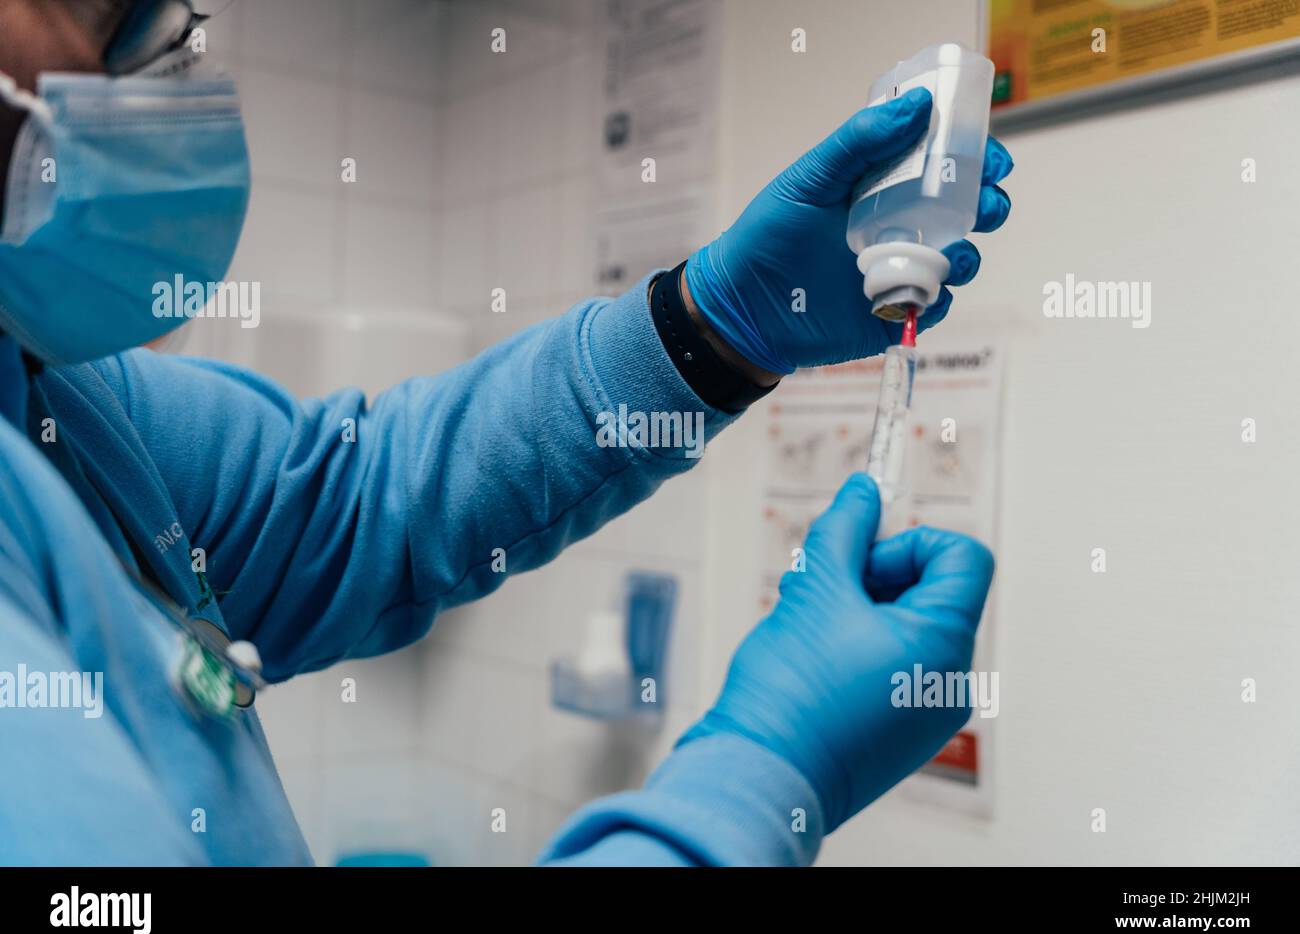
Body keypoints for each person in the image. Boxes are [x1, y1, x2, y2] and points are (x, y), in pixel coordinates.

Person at [0, 0, 1012, 865]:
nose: (166, 43)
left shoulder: (55, 396)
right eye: (103, 10)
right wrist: (769, 768)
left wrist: (711, 326)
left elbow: (359, 499)